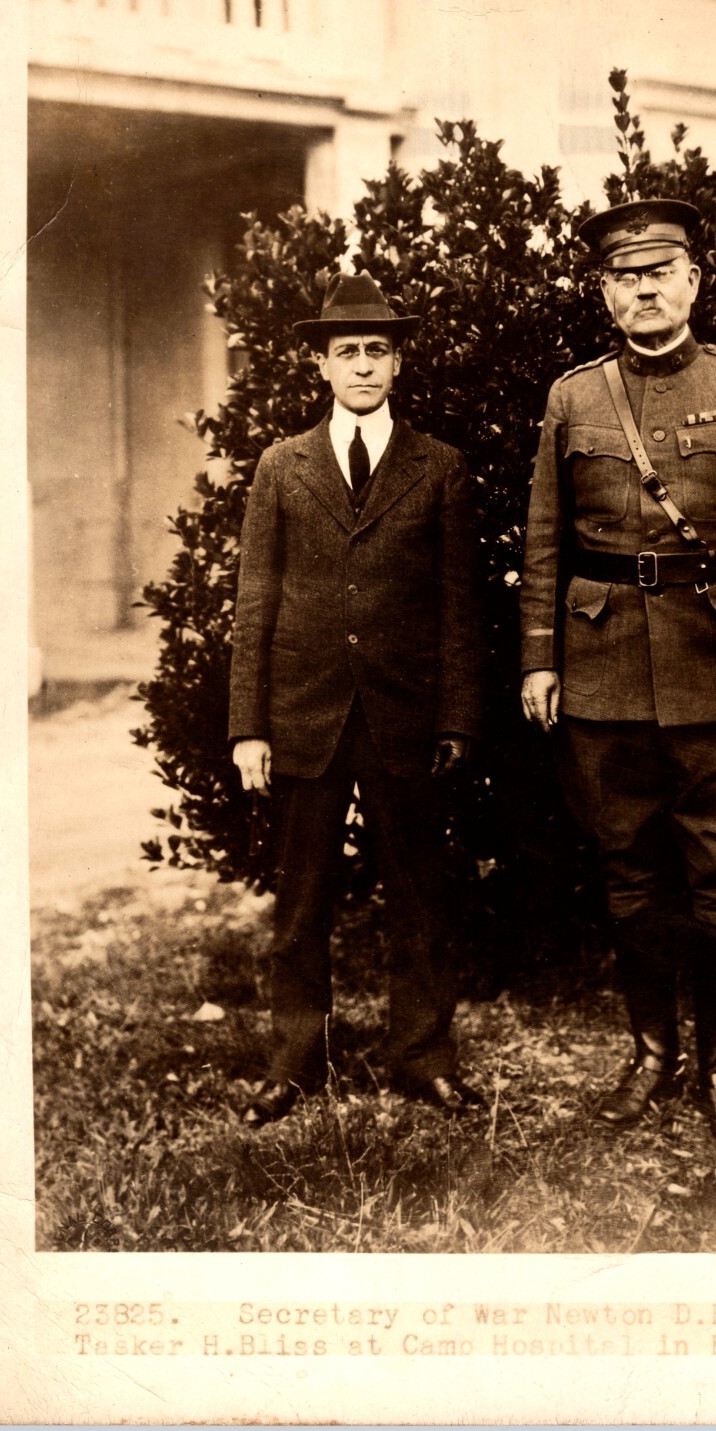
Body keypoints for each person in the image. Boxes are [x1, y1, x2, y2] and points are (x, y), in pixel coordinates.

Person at [519, 199, 716, 1175]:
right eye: (623, 276)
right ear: (602, 292)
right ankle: (651, 1054)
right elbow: (545, 541)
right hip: (601, 667)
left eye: (660, 272)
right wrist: (539, 658)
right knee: (628, 865)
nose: (642, 290)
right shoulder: (573, 397)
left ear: (692, 281)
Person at [229, 271, 486, 1126]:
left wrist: (455, 716)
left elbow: (458, 604)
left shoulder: (439, 468)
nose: (365, 367)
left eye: (379, 351)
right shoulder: (281, 466)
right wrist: (248, 728)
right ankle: (295, 1060)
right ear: (322, 366)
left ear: (400, 363)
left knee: (419, 892)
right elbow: (255, 602)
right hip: (304, 713)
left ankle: (423, 1056)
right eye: (349, 352)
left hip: (403, 713)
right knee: (301, 898)